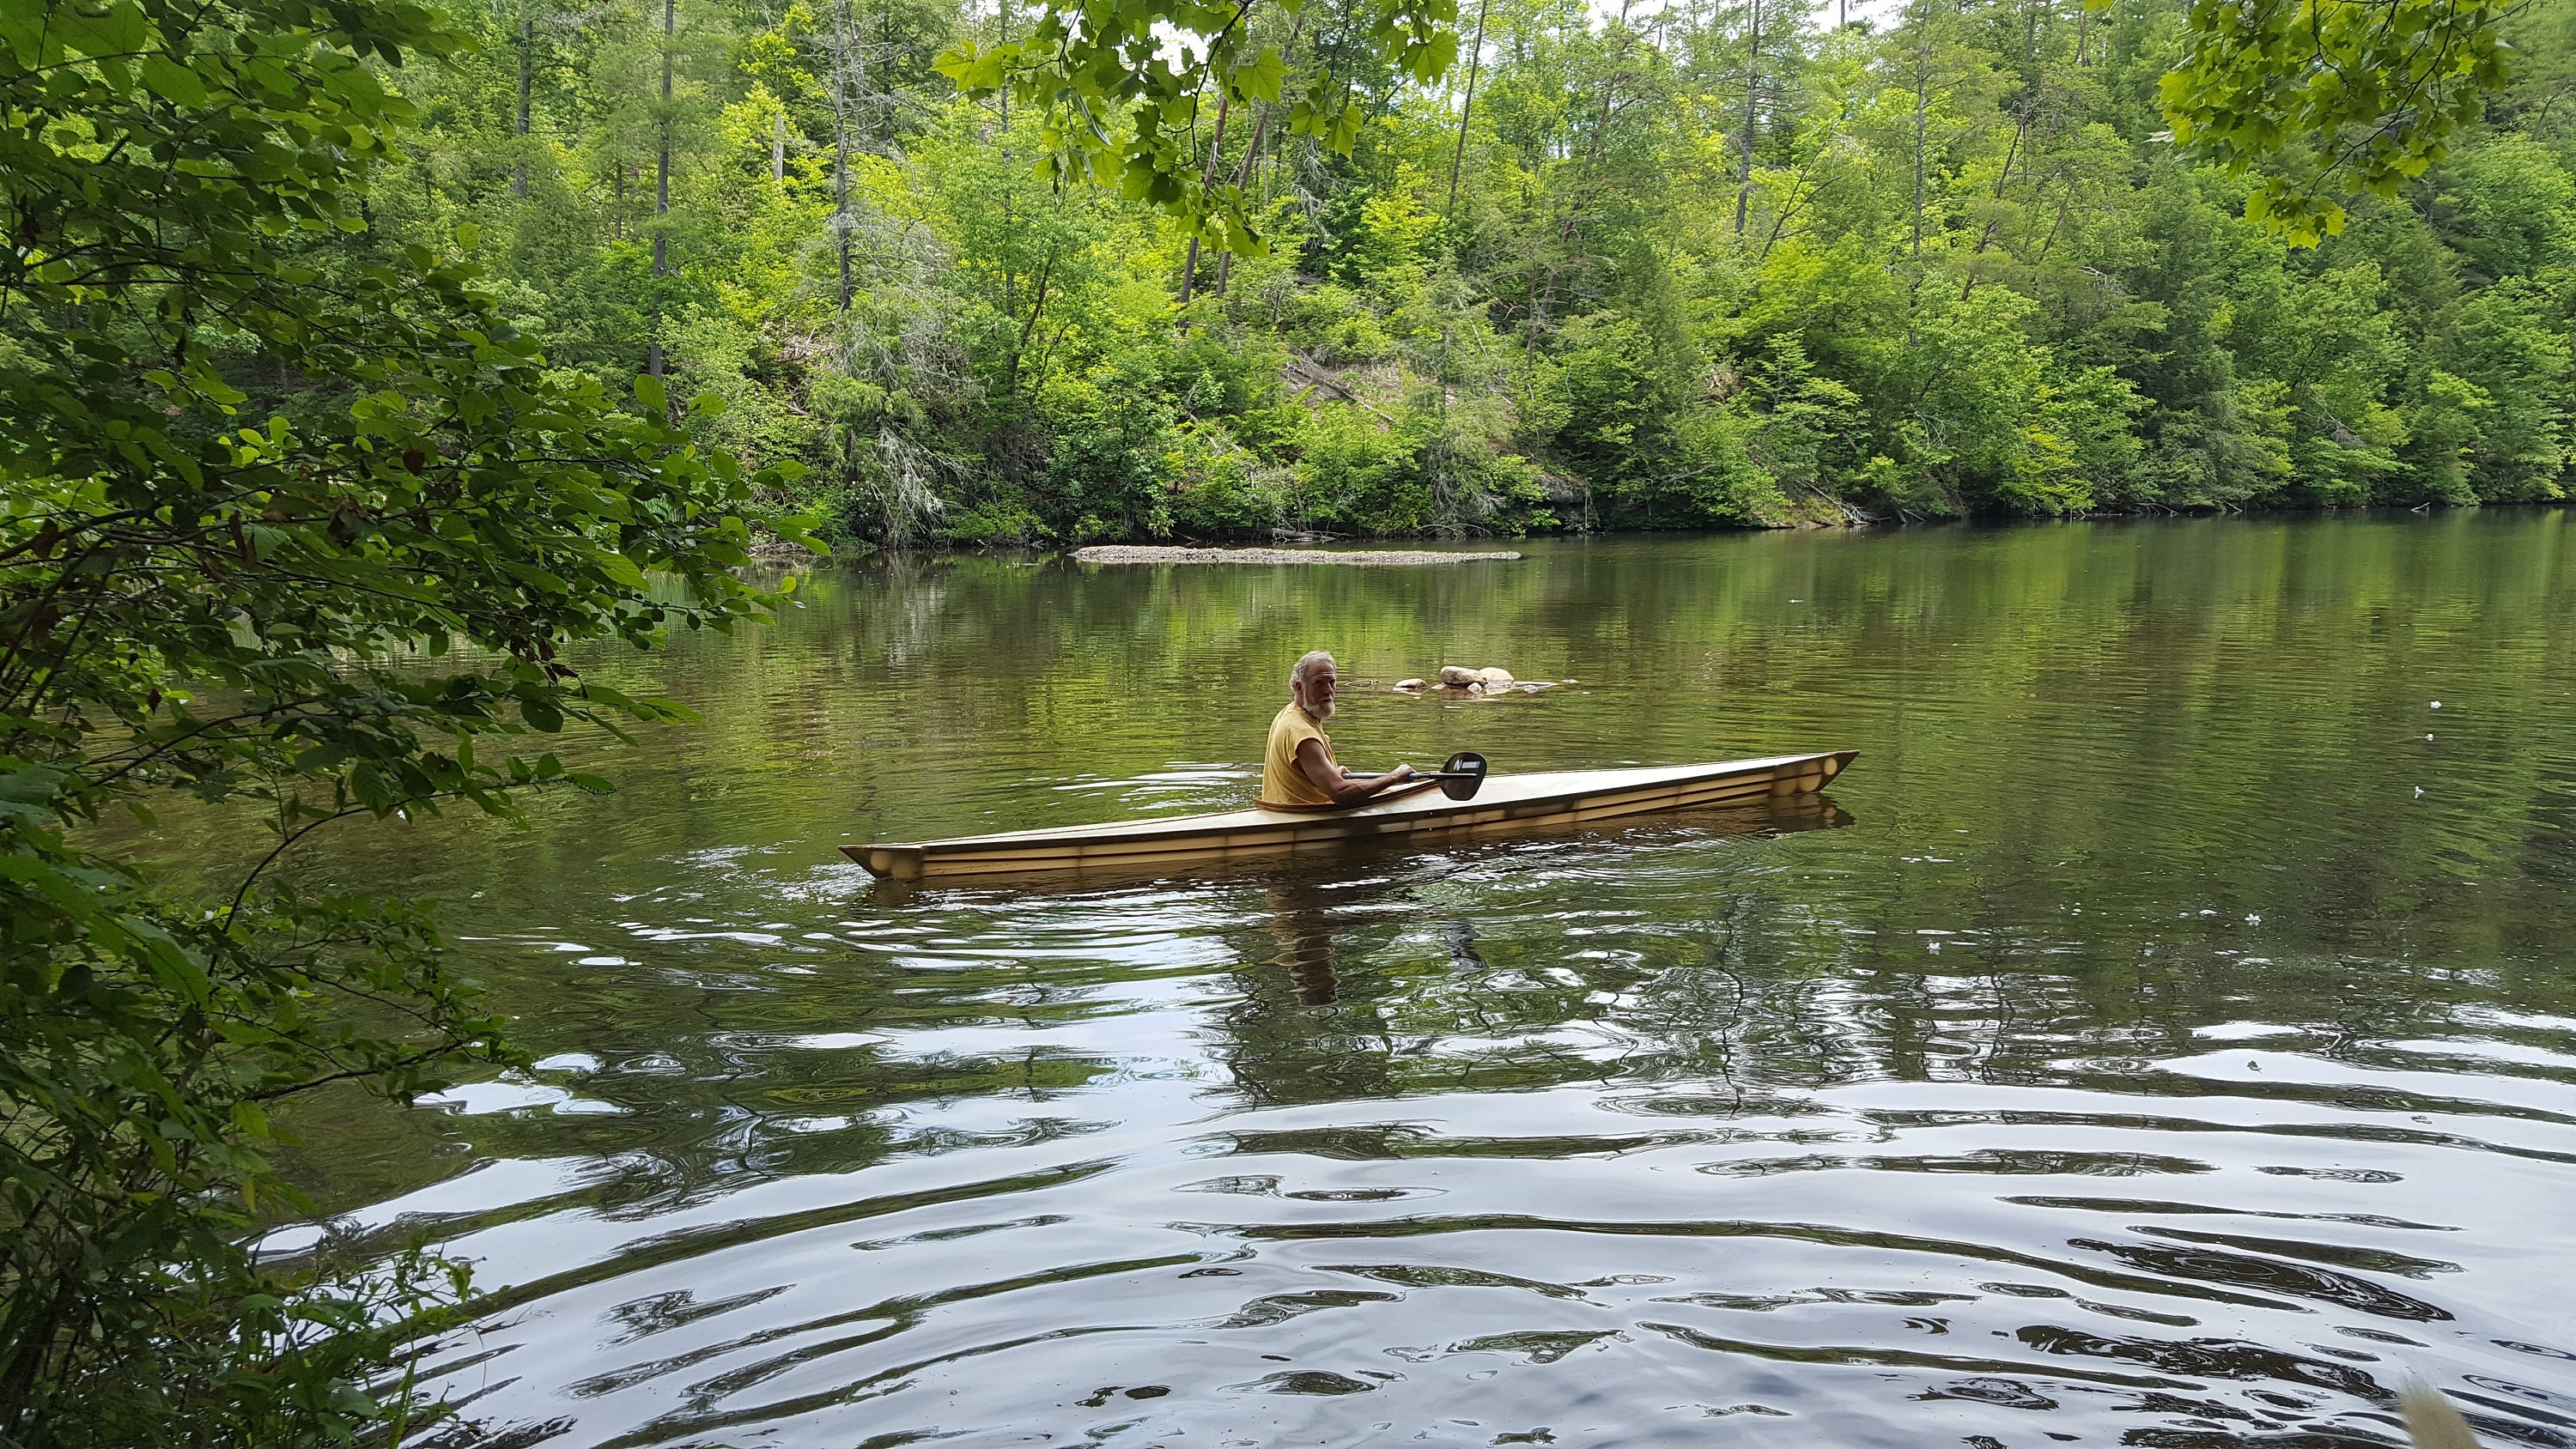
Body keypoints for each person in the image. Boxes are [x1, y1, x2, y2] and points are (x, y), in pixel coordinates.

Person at [1260, 651, 1416, 808]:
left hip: (1282, 812)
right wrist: (1394, 777)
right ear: (1299, 687)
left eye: (1331, 682)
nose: (1328, 690)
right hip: (1302, 821)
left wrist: (1333, 774)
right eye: (1318, 683)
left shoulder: (1289, 713)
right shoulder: (1301, 732)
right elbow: (1341, 793)